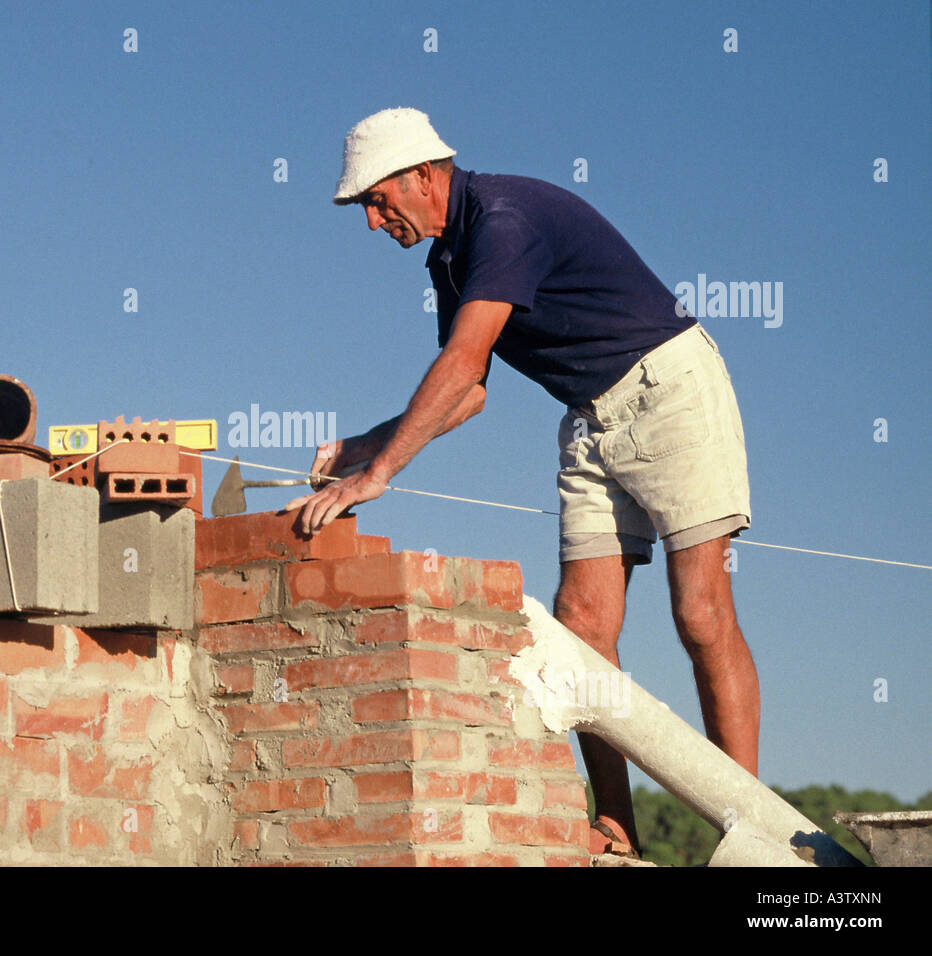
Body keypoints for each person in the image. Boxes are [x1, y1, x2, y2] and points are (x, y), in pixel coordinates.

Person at [285, 107, 759, 858]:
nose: (373, 223)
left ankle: (752, 828)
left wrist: (378, 475)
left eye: (377, 201)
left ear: (422, 175)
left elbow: (465, 366)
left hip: (671, 392)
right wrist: (363, 445)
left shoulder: (504, 219)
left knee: (700, 611)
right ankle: (618, 829)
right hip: (590, 417)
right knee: (582, 626)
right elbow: (468, 397)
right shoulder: (450, 258)